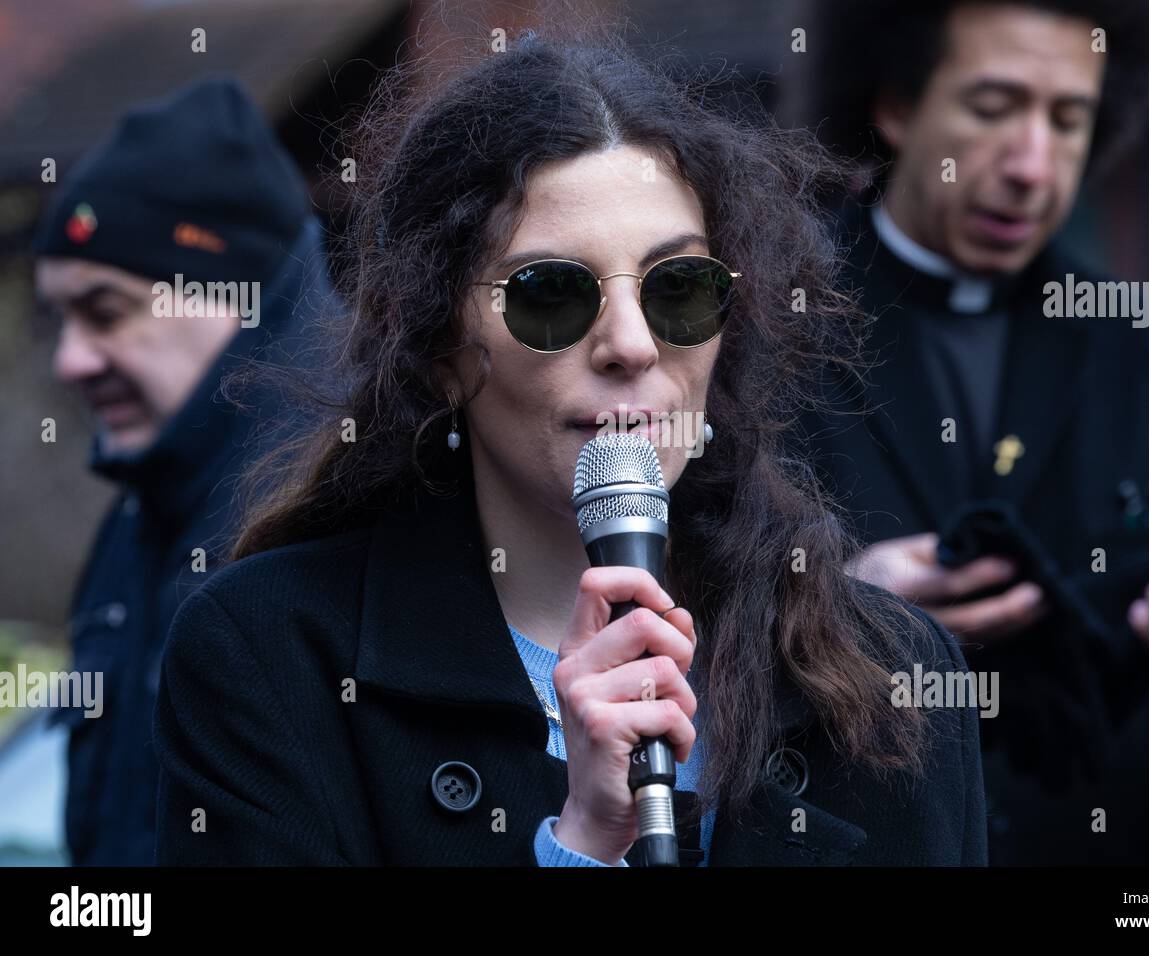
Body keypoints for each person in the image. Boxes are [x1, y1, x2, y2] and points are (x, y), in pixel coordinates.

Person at [151, 29, 987, 866]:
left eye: (680, 287)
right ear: (441, 351)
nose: (631, 343)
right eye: (552, 294)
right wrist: (583, 844)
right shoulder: (267, 656)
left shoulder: (890, 674)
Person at [800, 0, 1149, 865]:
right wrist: (824, 619)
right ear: (895, 106)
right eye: (993, 108)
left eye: (1069, 118)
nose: (1034, 164)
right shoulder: (758, 340)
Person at [32, 75, 334, 865]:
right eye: (56, 318)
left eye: (104, 312)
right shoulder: (148, 503)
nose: (69, 360)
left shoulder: (341, 513)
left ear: (231, 294)